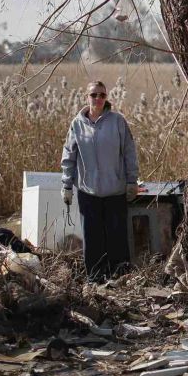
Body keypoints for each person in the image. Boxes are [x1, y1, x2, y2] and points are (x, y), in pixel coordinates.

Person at [60, 80, 140, 280]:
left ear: (107, 98)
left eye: (102, 95)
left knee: (117, 238)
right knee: (92, 239)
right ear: (86, 97)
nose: (98, 99)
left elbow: (130, 152)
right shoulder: (77, 124)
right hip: (88, 192)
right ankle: (95, 279)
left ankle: (121, 278)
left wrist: (132, 181)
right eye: (94, 95)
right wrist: (66, 185)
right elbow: (69, 156)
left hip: (115, 190)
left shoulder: (118, 121)